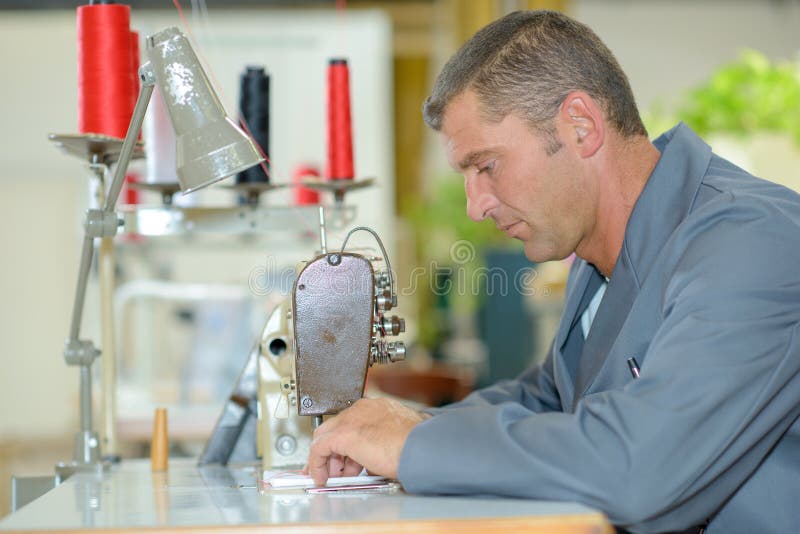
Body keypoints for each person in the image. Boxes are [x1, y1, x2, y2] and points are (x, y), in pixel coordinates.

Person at [305, 10, 800, 533]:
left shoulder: (753, 241)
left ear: (580, 126)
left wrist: (413, 444)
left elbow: (640, 470)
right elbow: (546, 402)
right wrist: (392, 426)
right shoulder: (596, 261)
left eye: (487, 166)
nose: (475, 206)